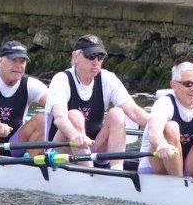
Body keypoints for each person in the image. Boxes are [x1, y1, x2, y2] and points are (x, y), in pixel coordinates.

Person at [46, 34, 149, 170]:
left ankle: (117, 170)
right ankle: (88, 172)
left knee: (117, 113)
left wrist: (160, 127)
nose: (96, 62)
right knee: (74, 115)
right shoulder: (61, 79)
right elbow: (59, 119)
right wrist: (76, 136)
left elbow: (134, 112)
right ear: (76, 57)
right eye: (91, 56)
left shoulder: (107, 78)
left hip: (93, 147)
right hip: (62, 148)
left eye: (100, 57)